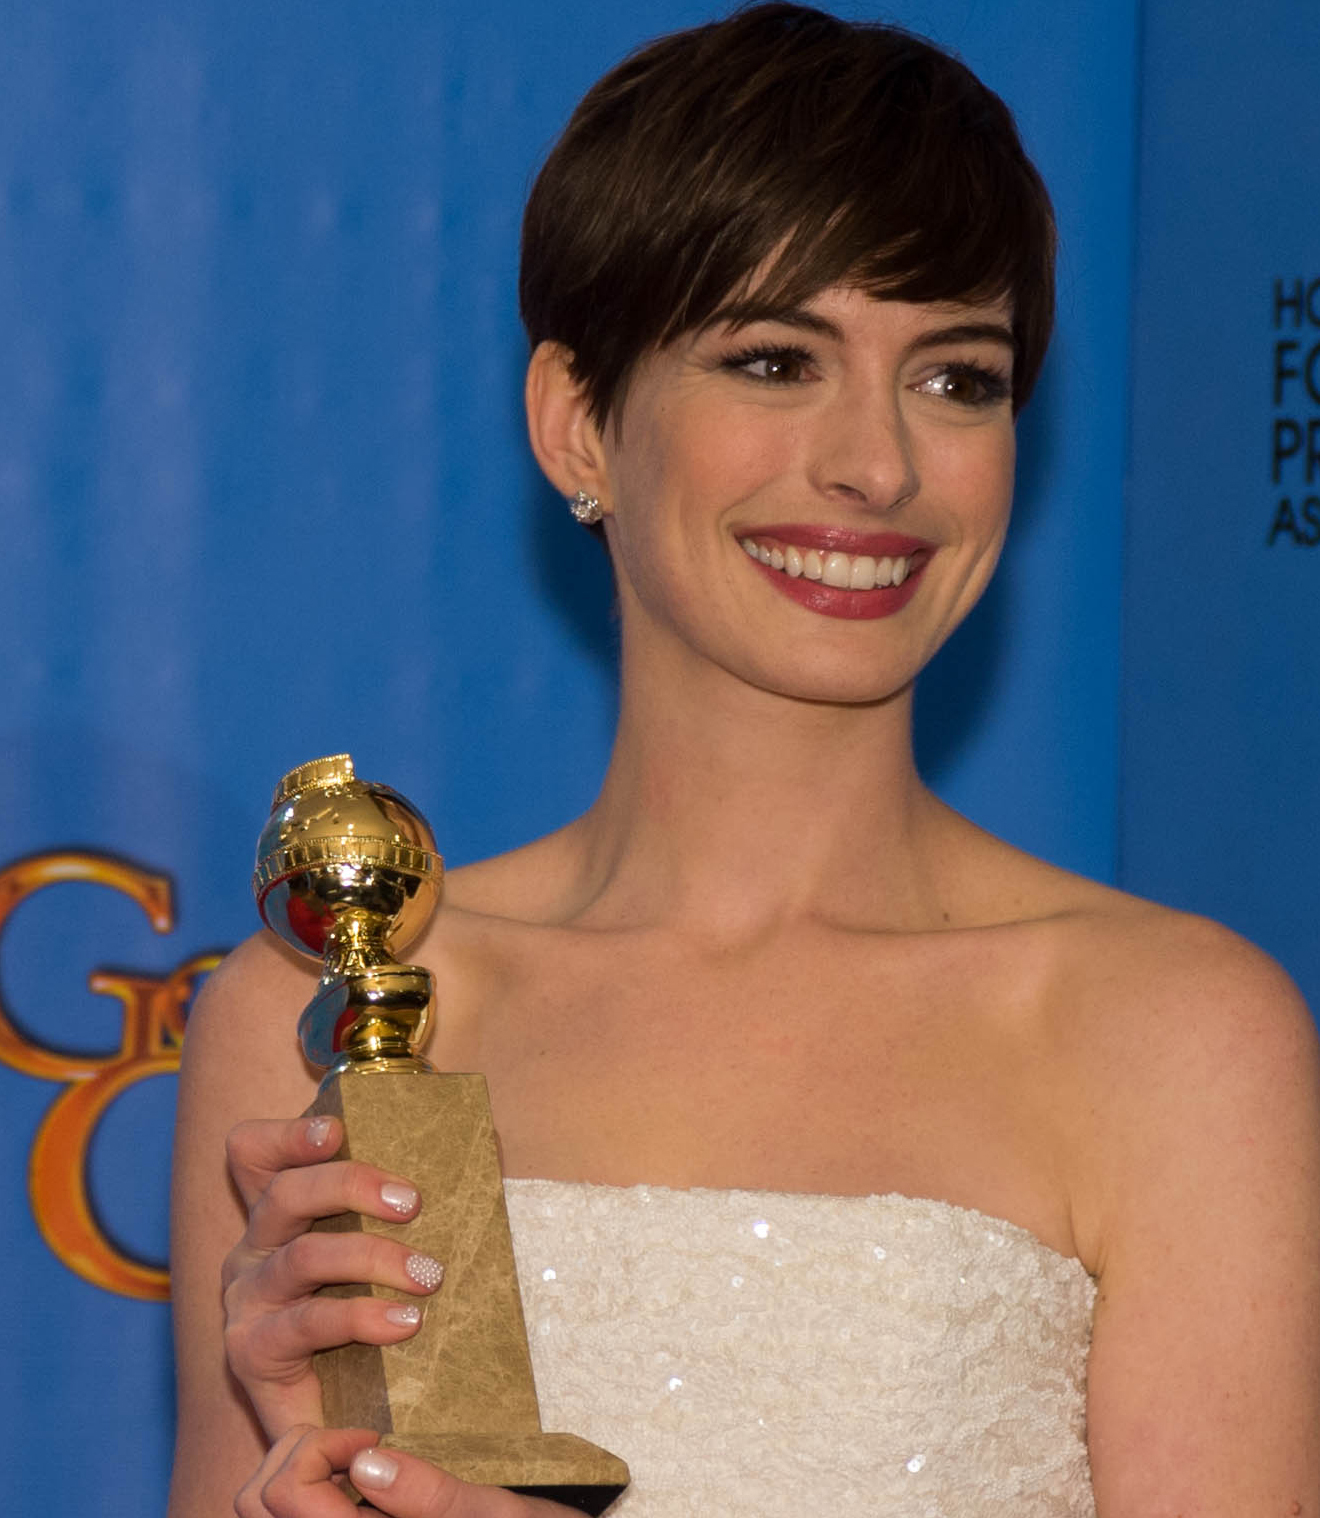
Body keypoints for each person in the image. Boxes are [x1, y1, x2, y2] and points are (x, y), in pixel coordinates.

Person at [167, 6, 1320, 1515]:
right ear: (578, 423)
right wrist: (296, 1445)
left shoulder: (1173, 1037)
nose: (880, 464)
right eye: (777, 360)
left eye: (957, 378)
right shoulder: (307, 1014)